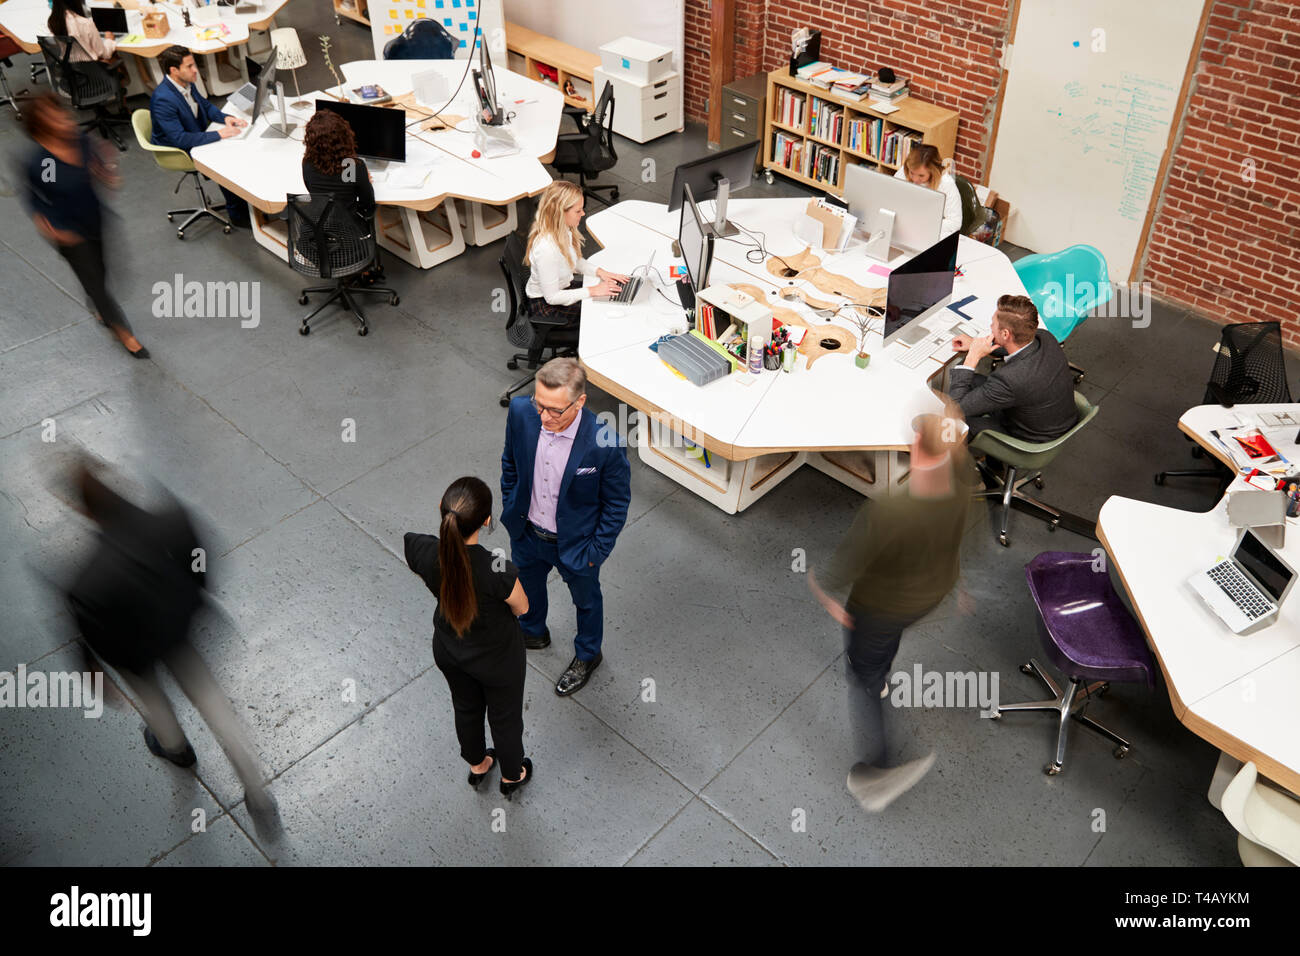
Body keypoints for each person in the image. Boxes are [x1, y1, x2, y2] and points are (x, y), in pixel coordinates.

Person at [52, 451, 276, 828]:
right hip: (179, 632)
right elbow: (201, 564)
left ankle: (177, 749)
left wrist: (101, 679)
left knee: (156, 706)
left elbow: (90, 642)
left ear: (84, 511)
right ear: (114, 484)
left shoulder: (82, 582)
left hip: (136, 656)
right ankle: (257, 792)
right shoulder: (171, 520)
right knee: (214, 706)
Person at [809, 406, 977, 812]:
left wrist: (825, 589)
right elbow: (966, 532)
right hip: (930, 593)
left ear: (915, 444)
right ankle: (881, 671)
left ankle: (879, 774)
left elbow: (850, 563)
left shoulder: (895, 508)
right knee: (886, 644)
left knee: (862, 676)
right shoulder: (961, 479)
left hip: (880, 607)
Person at [500, 358, 631, 697]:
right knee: (528, 587)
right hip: (527, 532)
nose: (544, 418)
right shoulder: (520, 413)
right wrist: (511, 506)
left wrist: (595, 552)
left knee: (586, 601)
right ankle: (532, 631)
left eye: (555, 411)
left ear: (581, 402)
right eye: (539, 404)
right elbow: (510, 463)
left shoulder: (606, 443)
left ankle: (588, 654)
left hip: (576, 545)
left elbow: (616, 505)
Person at [404, 477, 534, 798]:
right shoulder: (497, 566)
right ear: (487, 520)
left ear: (441, 509)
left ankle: (478, 765)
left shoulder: (426, 552)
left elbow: (413, 553)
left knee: (466, 708)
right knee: (504, 718)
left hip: (450, 652)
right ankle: (512, 775)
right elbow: (522, 607)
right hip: (498, 659)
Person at [21, 92, 148, 358]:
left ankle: (99, 304)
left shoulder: (79, 141)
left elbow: (100, 166)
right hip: (69, 233)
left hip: (95, 219)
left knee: (101, 271)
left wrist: (107, 172)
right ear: (40, 124)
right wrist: (47, 223)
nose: (61, 117)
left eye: (59, 111)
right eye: (51, 116)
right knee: (96, 284)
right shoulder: (45, 161)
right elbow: (41, 195)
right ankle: (124, 333)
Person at [947, 293, 1078, 443]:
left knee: (952, 423)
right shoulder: (1045, 337)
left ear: (1005, 333)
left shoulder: (1010, 379)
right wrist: (976, 344)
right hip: (1054, 417)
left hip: (1033, 435)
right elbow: (1015, 348)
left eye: (993, 324)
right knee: (972, 381)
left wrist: (973, 357)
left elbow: (954, 410)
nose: (990, 327)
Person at [149, 45, 250, 227]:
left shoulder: (186, 82)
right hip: (176, 149)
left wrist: (226, 118)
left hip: (191, 134)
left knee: (232, 145)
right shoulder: (163, 99)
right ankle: (237, 213)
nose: (195, 70)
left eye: (194, 64)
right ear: (174, 70)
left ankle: (245, 203)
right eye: (189, 66)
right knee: (223, 157)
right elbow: (179, 139)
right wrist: (219, 134)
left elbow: (205, 106)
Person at [523, 180, 628, 324]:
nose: (583, 213)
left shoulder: (563, 230)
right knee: (603, 313)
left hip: (561, 289)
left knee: (610, 295)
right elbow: (552, 297)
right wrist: (593, 291)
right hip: (545, 306)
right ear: (560, 213)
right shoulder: (546, 249)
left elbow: (574, 260)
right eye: (578, 211)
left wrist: (601, 272)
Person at [894, 143, 962, 240]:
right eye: (912, 173)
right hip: (902, 229)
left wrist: (924, 224)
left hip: (929, 234)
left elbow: (955, 222)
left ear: (933, 172)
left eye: (921, 176)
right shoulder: (904, 172)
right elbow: (891, 198)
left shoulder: (946, 184)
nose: (915, 179)